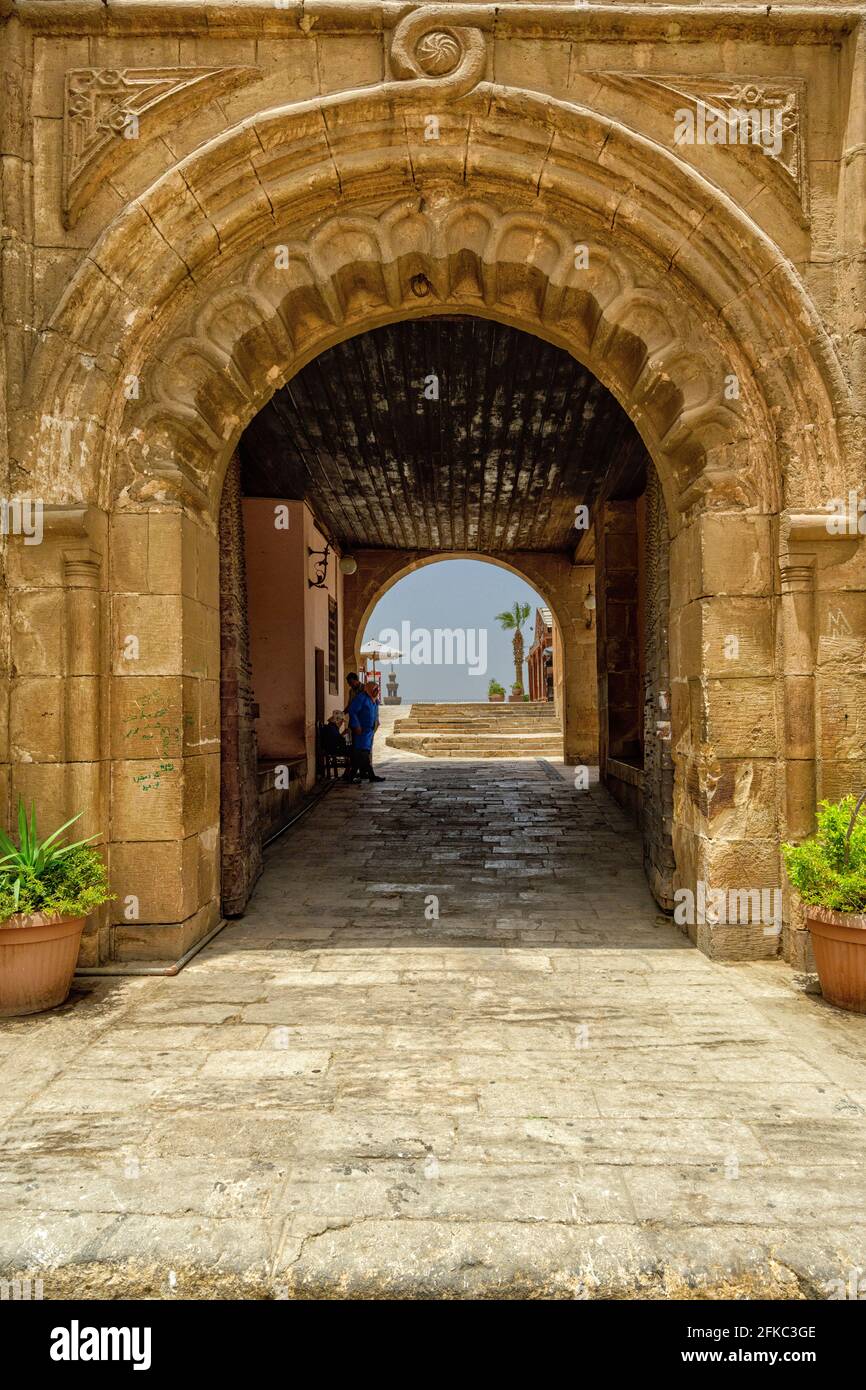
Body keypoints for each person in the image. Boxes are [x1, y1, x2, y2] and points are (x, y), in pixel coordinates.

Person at [344, 672, 385, 784]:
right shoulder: (362, 698)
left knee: (363, 753)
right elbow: (352, 711)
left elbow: (375, 714)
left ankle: (358, 776)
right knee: (361, 753)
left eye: (377, 689)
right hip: (361, 731)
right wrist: (356, 726)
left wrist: (376, 725)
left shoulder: (374, 700)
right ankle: (362, 776)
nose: (377, 691)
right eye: (375, 688)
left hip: (369, 731)